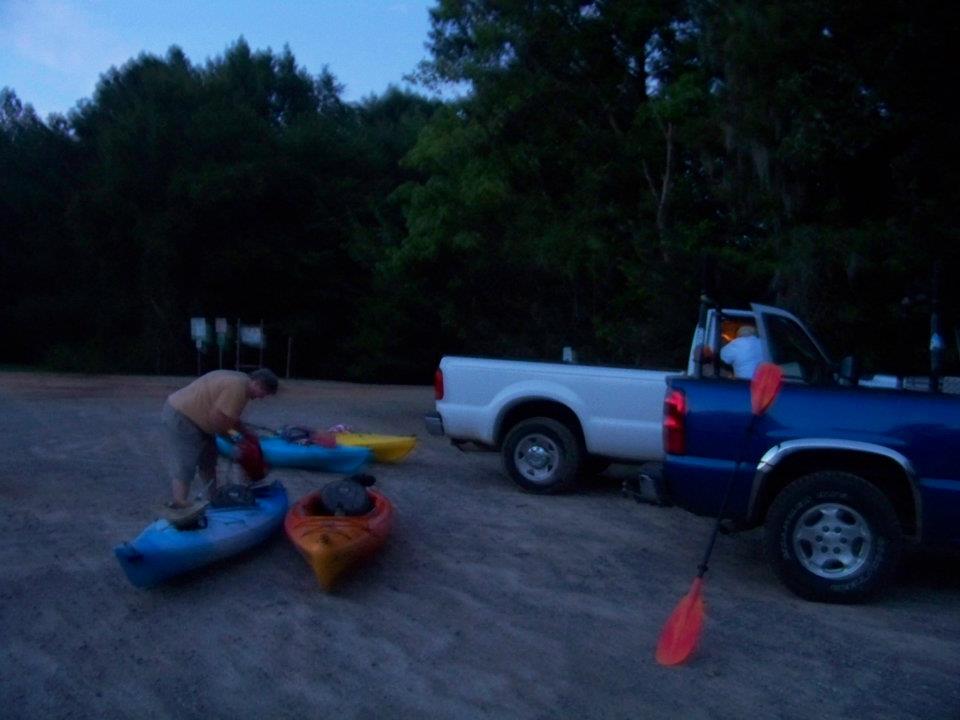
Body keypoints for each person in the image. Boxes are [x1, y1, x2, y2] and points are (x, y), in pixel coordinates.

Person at [160, 368, 279, 513]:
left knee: (209, 461)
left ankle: (213, 497)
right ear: (257, 383)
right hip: (183, 417)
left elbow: (229, 418)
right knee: (186, 461)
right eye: (264, 393)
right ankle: (180, 503)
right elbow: (218, 420)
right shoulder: (237, 388)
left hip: (200, 421)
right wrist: (236, 439)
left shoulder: (242, 382)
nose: (262, 397)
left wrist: (246, 434)